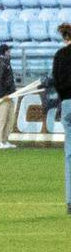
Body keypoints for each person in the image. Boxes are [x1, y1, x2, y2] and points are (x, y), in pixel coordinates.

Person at [0, 42, 18, 149]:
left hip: (9, 95)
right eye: (8, 50)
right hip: (4, 96)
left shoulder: (6, 62)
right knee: (2, 119)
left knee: (10, 119)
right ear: (5, 52)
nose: (10, 52)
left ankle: (4, 140)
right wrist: (2, 95)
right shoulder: (0, 63)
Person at [55, 24, 71, 213]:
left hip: (67, 104)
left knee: (69, 154)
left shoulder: (59, 55)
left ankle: (70, 201)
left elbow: (57, 81)